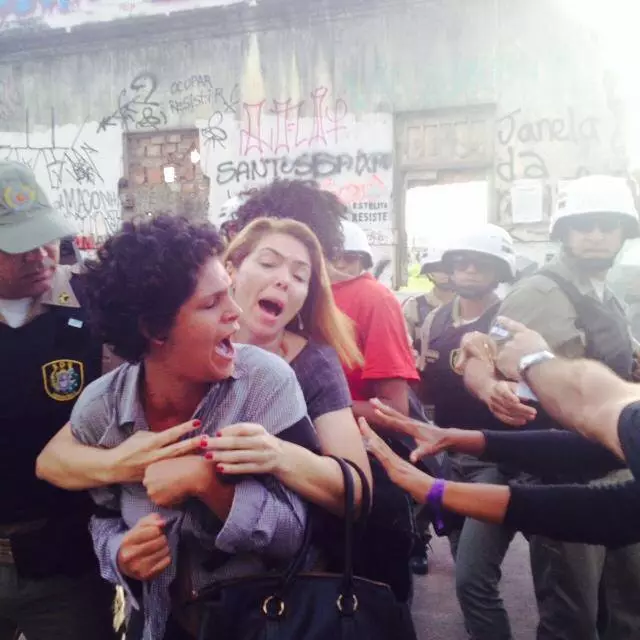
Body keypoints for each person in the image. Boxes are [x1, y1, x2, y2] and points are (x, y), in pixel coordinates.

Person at [59, 215, 319, 640]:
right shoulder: (100, 410)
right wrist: (121, 554)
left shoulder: (266, 385)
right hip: (160, 624)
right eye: (212, 303)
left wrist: (212, 486)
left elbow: (300, 535)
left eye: (229, 294)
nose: (235, 313)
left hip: (267, 623)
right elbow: (100, 518)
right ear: (155, 329)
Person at [463, 175, 640, 640]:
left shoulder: (609, 297)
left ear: (625, 232)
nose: (596, 236)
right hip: (567, 474)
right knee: (572, 619)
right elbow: (480, 351)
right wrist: (484, 383)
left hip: (620, 469)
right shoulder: (539, 291)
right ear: (562, 233)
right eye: (583, 226)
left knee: (624, 615)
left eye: (607, 225)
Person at [0, 160, 117, 640]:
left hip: (67, 565)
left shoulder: (97, 308)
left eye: (44, 237)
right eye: (17, 246)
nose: (40, 255)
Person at [415, 224, 520, 640]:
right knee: (463, 563)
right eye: (461, 261)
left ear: (501, 269)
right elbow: (425, 384)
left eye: (483, 262)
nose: (470, 269)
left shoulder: (512, 319)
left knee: (473, 580)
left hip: (495, 464)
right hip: (446, 459)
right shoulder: (436, 319)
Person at [403, 247, 455, 354]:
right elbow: (403, 345)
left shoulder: (471, 305)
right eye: (438, 268)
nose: (445, 274)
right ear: (429, 272)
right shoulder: (414, 306)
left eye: (449, 269)